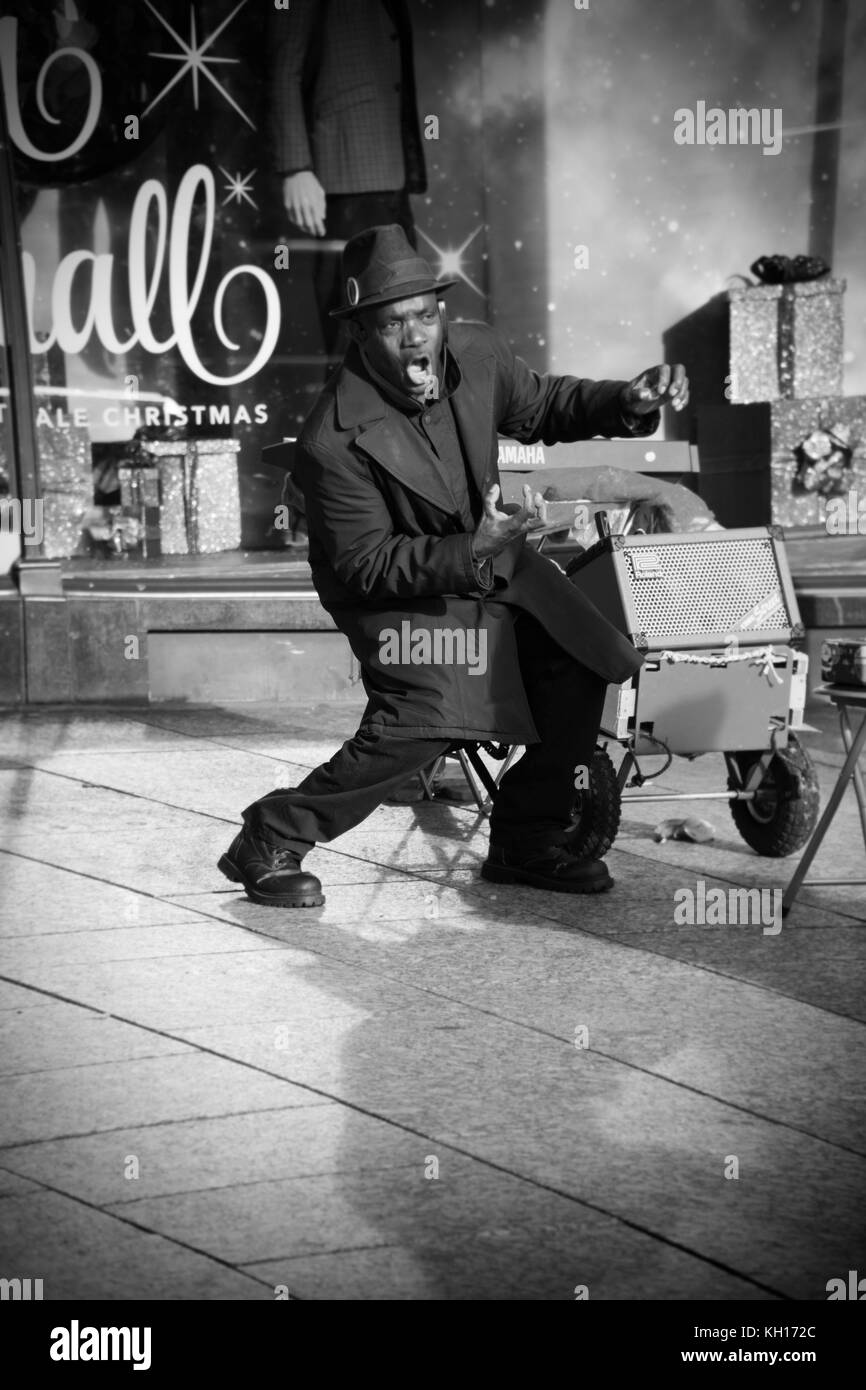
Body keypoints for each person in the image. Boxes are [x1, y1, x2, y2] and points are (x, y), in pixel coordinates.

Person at [219, 224, 689, 909]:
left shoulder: (476, 352)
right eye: (392, 322)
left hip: (493, 562)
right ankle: (271, 834)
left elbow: (545, 404)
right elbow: (366, 564)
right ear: (361, 334)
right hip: (393, 592)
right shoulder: (332, 439)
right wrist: (471, 548)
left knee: (581, 653)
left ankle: (527, 838)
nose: (416, 337)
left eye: (425, 315)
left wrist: (628, 402)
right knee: (431, 717)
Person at [267, 0, 426, 355]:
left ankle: (399, 410)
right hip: (343, 173)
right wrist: (296, 167)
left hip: (391, 168)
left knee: (402, 330)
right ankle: (349, 410)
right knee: (356, 337)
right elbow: (284, 67)